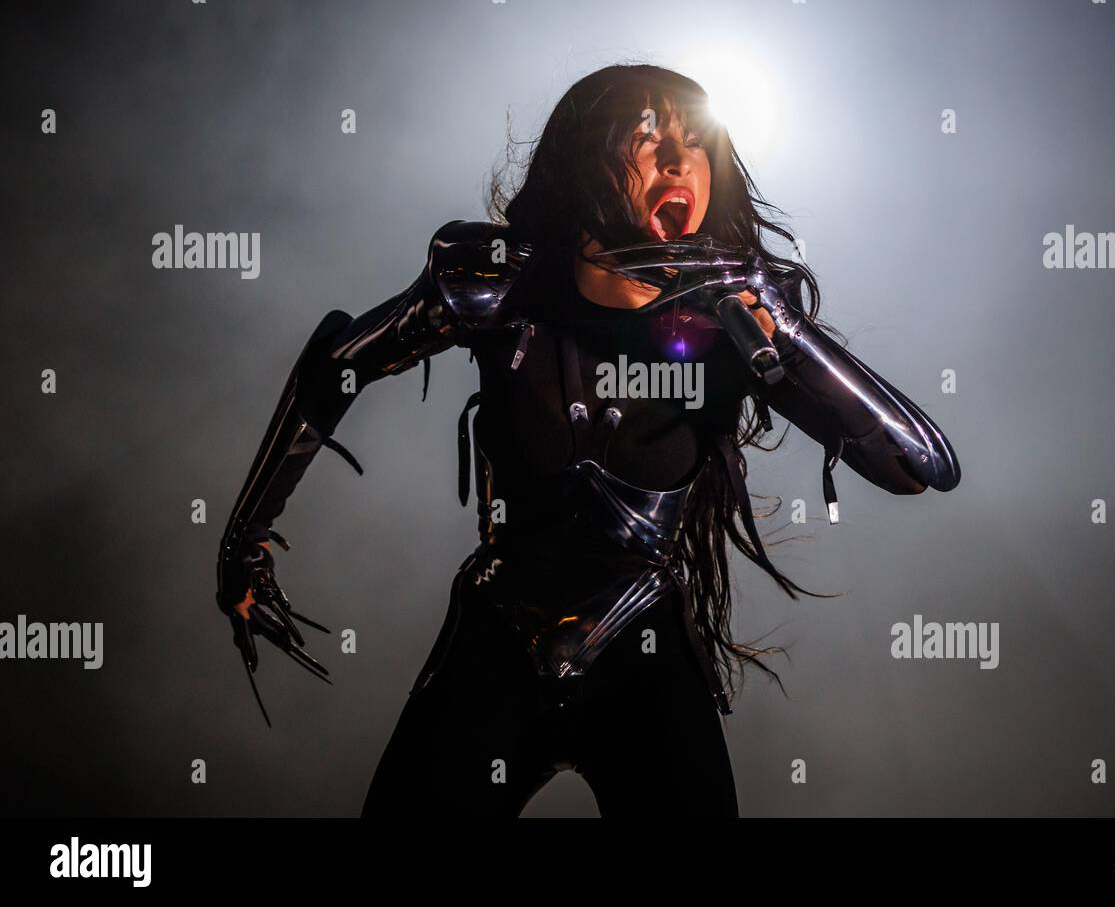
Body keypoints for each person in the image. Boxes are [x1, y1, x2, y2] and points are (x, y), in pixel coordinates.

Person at [215, 64, 961, 818]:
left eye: (695, 144)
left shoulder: (737, 325)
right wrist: (245, 537)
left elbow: (919, 466)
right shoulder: (499, 285)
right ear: (585, 158)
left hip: (644, 653)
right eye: (647, 137)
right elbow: (339, 363)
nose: (677, 160)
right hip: (494, 645)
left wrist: (784, 328)